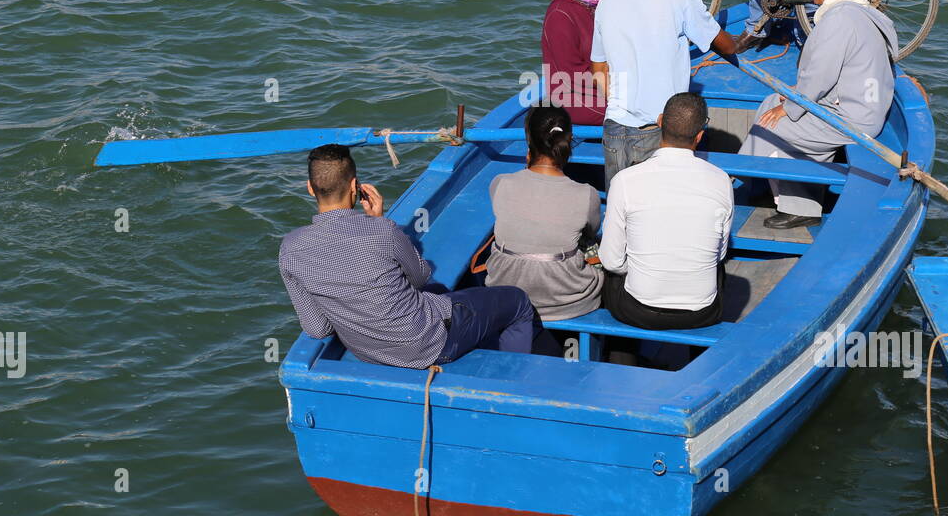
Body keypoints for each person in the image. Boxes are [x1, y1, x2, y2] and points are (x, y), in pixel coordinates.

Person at [278, 144, 544, 368]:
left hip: (369, 354)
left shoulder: (289, 249)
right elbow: (420, 277)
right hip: (430, 344)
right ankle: (512, 376)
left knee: (441, 292)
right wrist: (379, 221)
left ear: (310, 188)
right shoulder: (383, 230)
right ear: (355, 186)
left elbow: (318, 329)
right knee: (518, 302)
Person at [740, 0, 897, 229]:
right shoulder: (861, 13)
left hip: (853, 117)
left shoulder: (840, 19)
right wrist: (790, 98)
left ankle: (745, 178)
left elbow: (820, 74)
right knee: (769, 103)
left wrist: (791, 106)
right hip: (862, 106)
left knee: (774, 126)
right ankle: (763, 181)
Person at [590, 0, 738, 186]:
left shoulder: (606, 4)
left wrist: (617, 103)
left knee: (619, 205)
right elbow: (726, 45)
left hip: (614, 127)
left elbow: (598, 68)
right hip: (659, 127)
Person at [599, 92, 734, 330]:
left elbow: (611, 262)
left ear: (659, 121)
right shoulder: (721, 181)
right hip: (702, 312)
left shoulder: (624, 181)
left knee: (611, 277)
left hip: (638, 308)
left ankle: (621, 359)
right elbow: (719, 254)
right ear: (700, 136)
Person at [486, 106, 603, 321]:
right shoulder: (587, 194)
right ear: (567, 142)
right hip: (569, 302)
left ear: (529, 142)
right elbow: (591, 231)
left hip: (506, 295)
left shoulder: (500, 183)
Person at [540, 0, 612, 125]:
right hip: (573, 96)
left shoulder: (594, 5)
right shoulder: (560, 16)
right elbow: (571, 75)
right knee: (636, 109)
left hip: (602, 85)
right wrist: (616, 86)